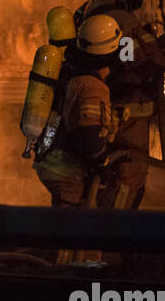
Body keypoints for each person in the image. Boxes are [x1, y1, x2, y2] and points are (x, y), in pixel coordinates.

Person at [74, 0, 165, 209]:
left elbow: (118, 55)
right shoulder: (122, 20)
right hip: (126, 117)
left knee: (100, 178)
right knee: (127, 179)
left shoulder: (87, 11)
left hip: (104, 112)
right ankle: (109, 240)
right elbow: (148, 60)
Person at [33, 15, 120, 208]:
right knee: (72, 226)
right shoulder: (92, 86)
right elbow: (89, 136)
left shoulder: (68, 70)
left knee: (62, 220)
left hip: (50, 160)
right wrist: (100, 162)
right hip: (67, 169)